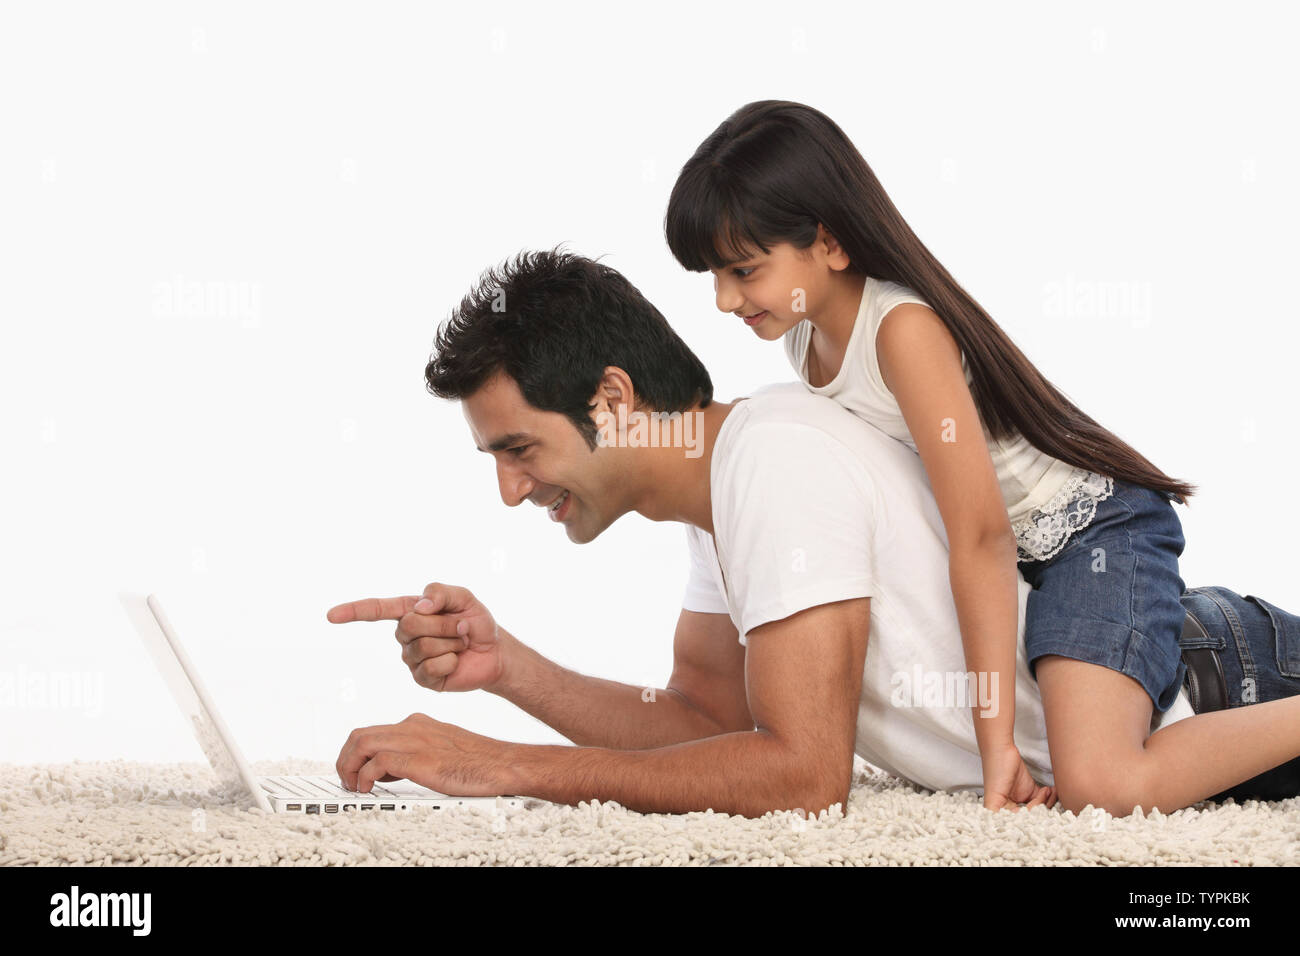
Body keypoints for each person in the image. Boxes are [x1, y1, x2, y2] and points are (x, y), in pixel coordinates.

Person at [327, 248, 1300, 818]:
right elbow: (710, 722)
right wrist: (512, 671)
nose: (508, 489)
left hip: (1215, 685)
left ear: (612, 400)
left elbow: (802, 772)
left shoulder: (774, 458)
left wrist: (508, 768)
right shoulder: (727, 483)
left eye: (518, 447)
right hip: (1184, 669)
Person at [661, 98, 1288, 812]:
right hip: (1025, 555)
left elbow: (981, 535)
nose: (722, 299)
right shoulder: (804, 340)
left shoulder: (902, 332)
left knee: (1103, 784)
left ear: (829, 245)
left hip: (1091, 532)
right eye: (712, 275)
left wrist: (998, 748)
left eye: (742, 270)